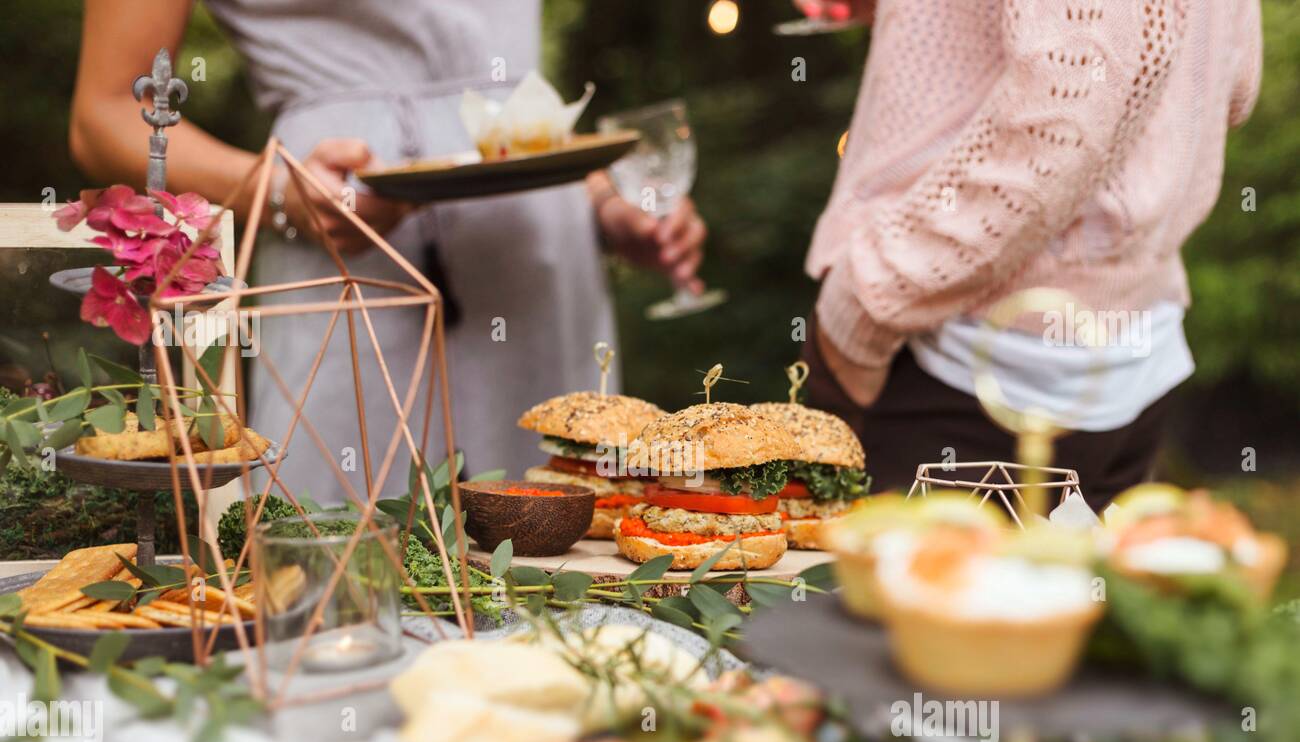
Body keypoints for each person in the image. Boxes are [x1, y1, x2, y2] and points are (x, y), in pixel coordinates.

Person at [70, 0, 708, 497]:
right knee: (345, 563)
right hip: (346, 250)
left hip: (540, 260)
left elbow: (501, 98)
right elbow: (104, 115)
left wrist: (605, 203)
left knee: (567, 557)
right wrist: (284, 193)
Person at [802, 0, 1263, 510]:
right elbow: (1233, 81)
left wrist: (867, 302)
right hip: (1130, 354)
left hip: (968, 366)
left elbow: (1061, 123)